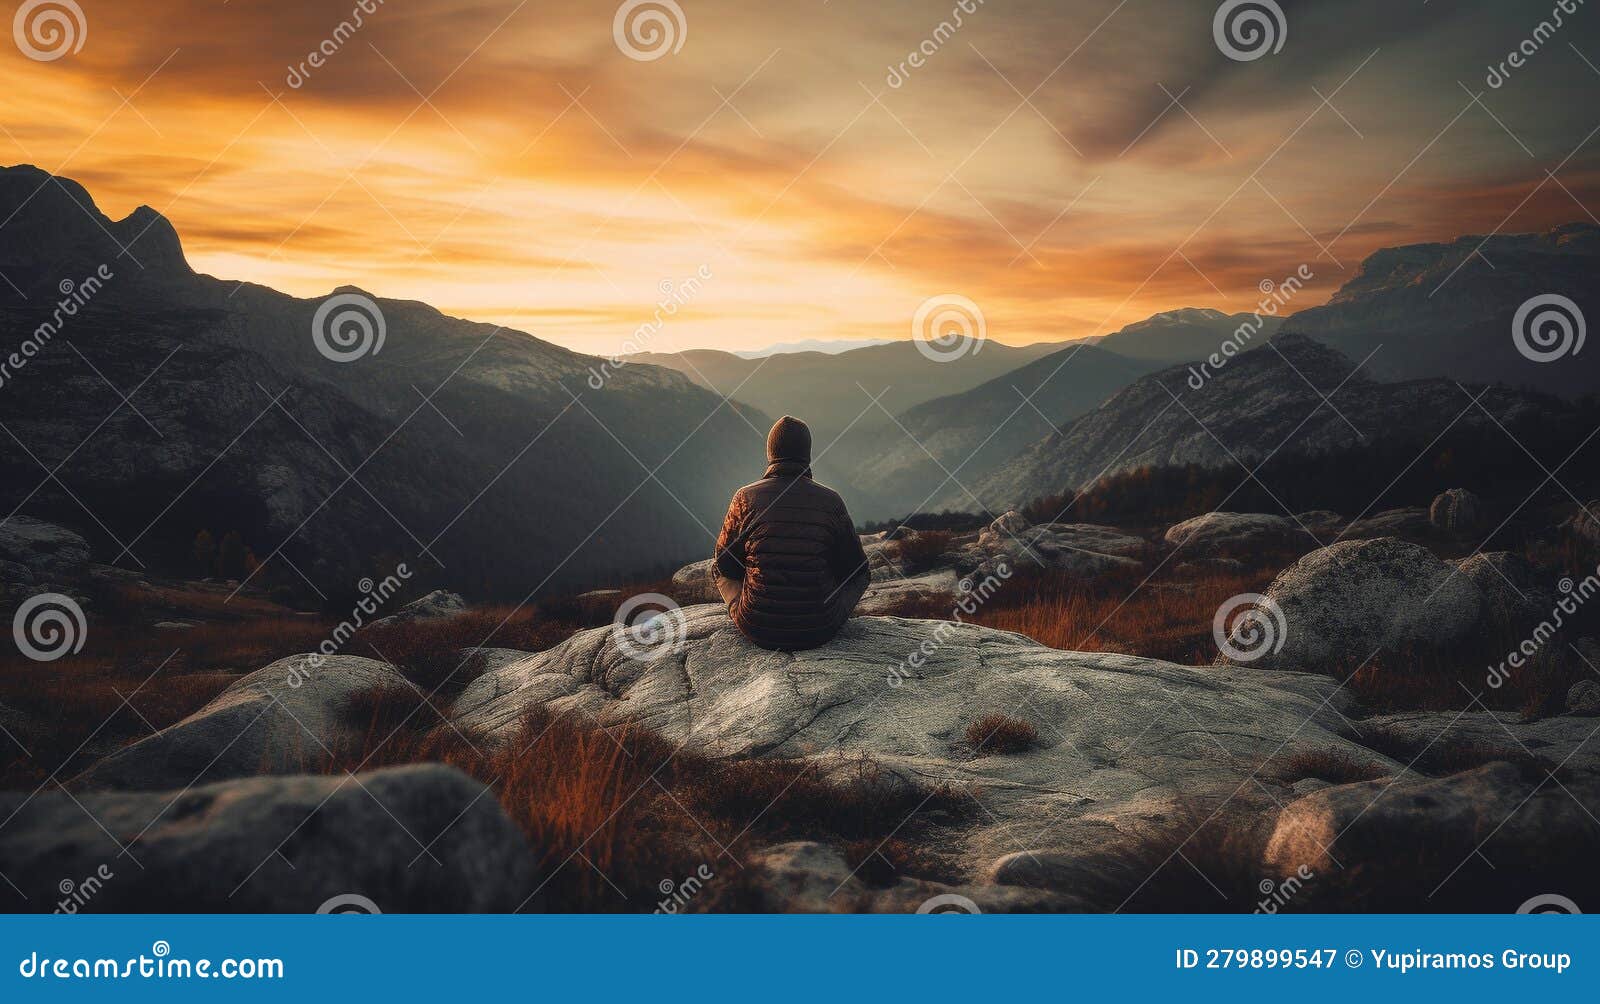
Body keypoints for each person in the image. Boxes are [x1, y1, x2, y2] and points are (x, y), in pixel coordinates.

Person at [712, 415, 871, 650]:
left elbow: (726, 564)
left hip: (758, 626)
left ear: (771, 454)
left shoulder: (745, 497)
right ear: (806, 455)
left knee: (717, 568)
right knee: (859, 574)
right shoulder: (831, 501)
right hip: (819, 628)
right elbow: (856, 568)